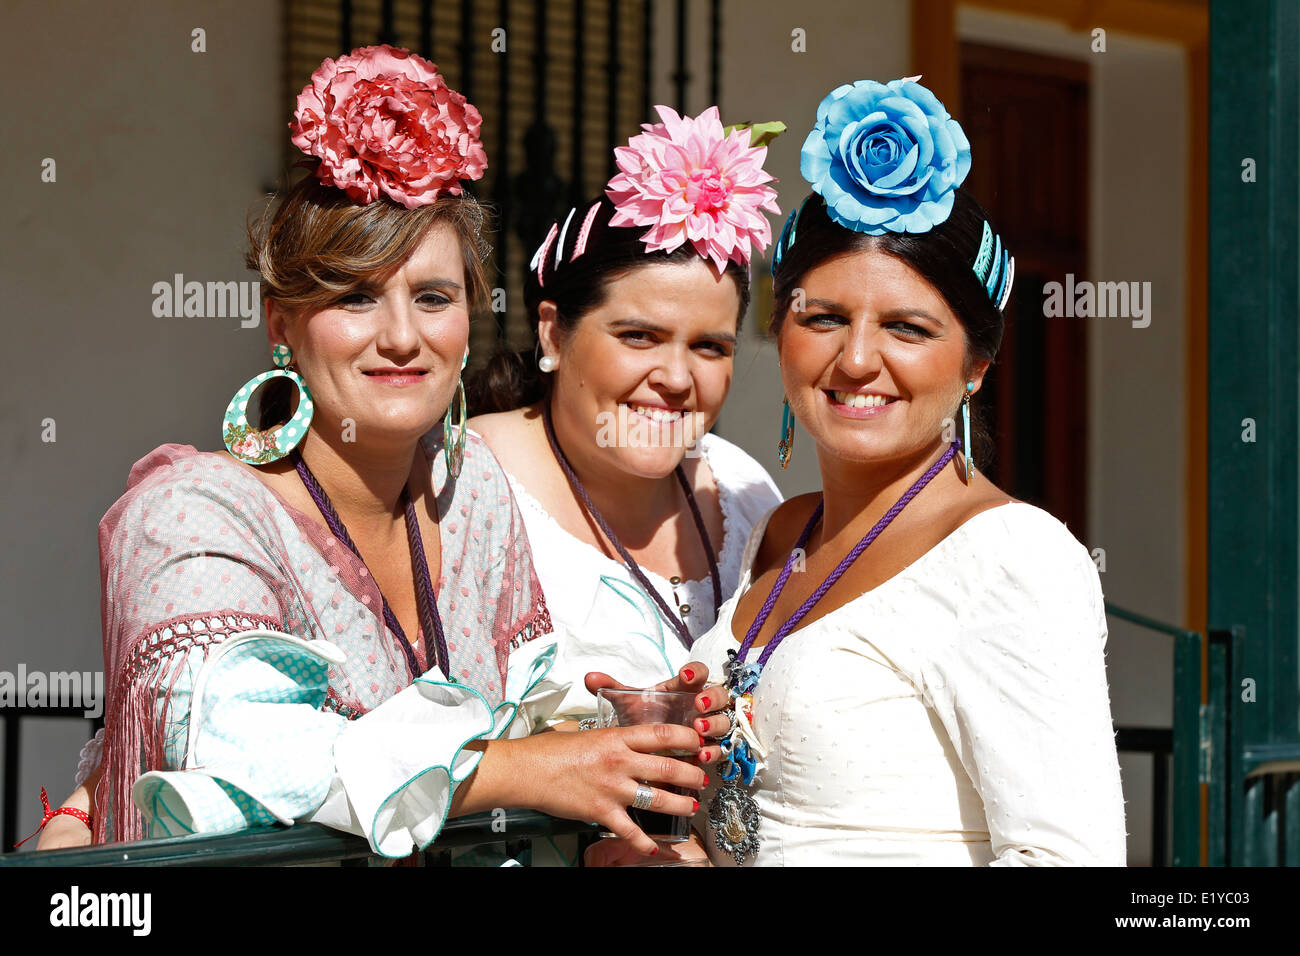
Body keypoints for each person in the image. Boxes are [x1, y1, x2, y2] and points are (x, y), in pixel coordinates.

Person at [30, 45, 706, 859]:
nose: (401, 338)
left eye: (433, 297)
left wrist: (613, 729)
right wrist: (515, 771)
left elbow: (529, 721)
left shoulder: (472, 492)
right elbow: (243, 747)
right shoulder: (191, 514)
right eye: (355, 296)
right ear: (281, 323)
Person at [590, 77, 1126, 866]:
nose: (857, 360)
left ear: (976, 366)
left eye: (907, 328)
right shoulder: (782, 531)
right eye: (825, 318)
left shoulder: (1011, 559)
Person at [467, 106, 784, 730]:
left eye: (709, 347)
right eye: (639, 336)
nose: (676, 378)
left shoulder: (744, 492)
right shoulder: (464, 487)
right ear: (553, 333)